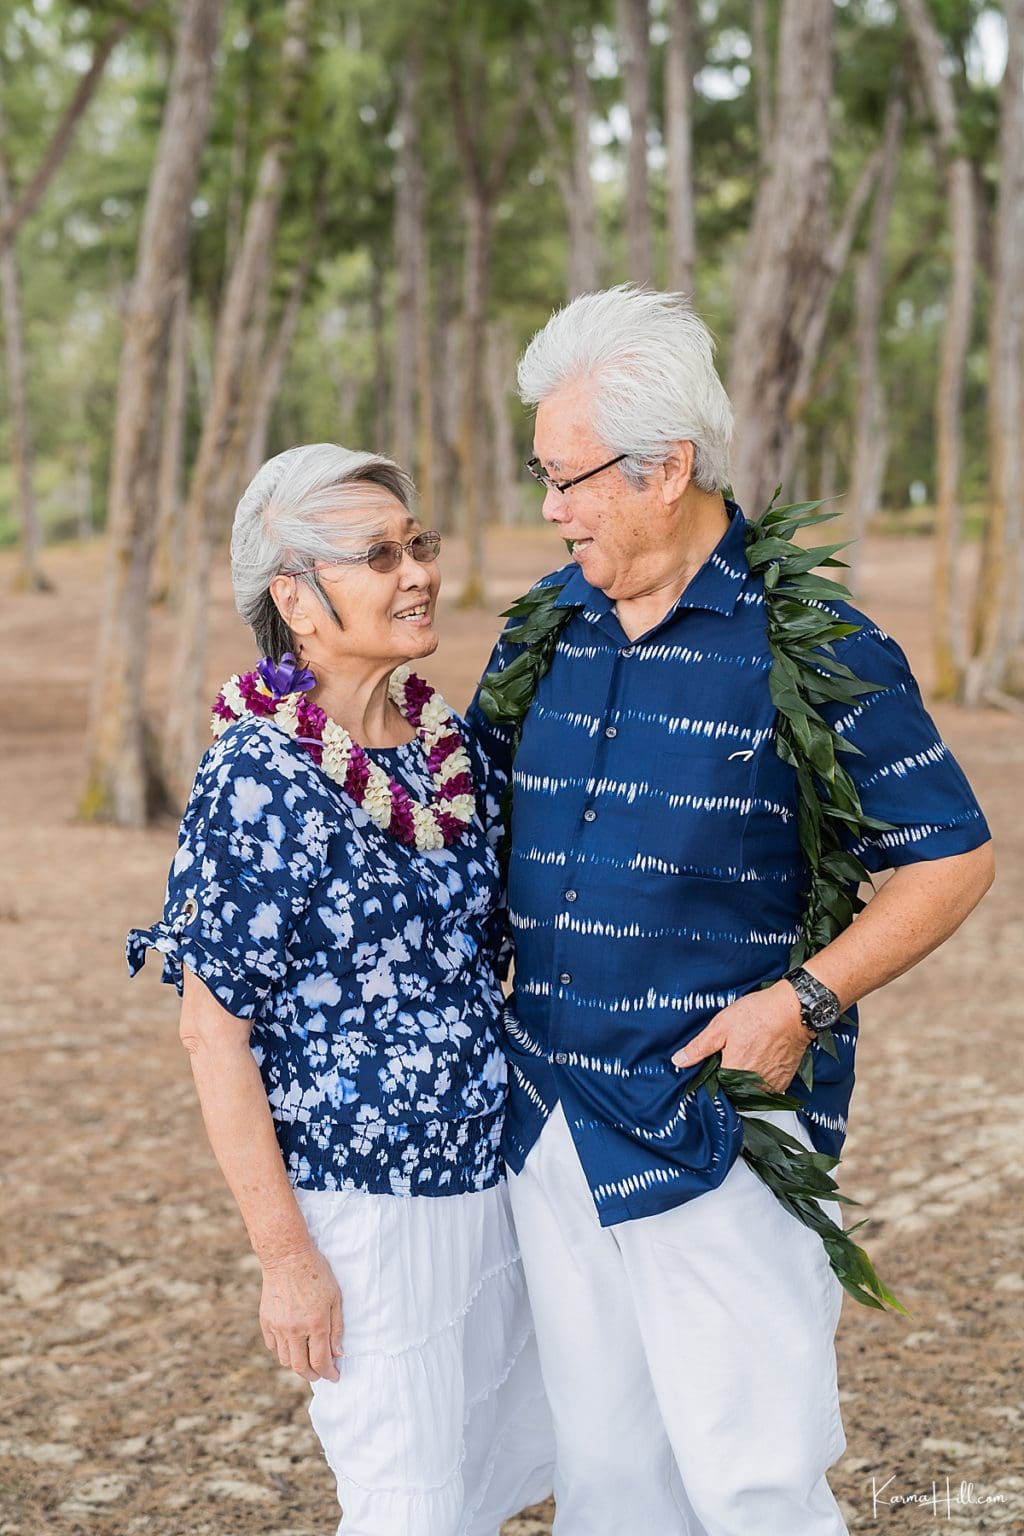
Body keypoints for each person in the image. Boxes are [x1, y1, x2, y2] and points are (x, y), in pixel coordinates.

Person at [468, 286, 994, 1536]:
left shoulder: (814, 645)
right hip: (550, 1117)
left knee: (751, 1481)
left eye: (568, 478)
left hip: (717, 1126)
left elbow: (949, 858)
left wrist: (805, 999)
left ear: (668, 470)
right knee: (605, 1479)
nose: (548, 508)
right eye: (538, 475)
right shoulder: (544, 631)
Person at [128, 444, 553, 1536]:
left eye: (419, 544)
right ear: (294, 598)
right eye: (377, 555)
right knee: (404, 1508)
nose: (416, 572)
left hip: (489, 1184)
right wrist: (287, 1262)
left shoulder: (447, 745)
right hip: (364, 1212)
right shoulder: (259, 776)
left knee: (479, 1488)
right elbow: (210, 1037)